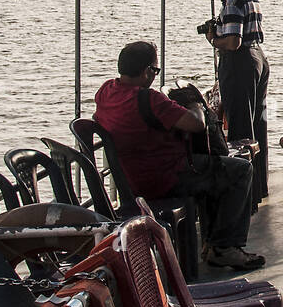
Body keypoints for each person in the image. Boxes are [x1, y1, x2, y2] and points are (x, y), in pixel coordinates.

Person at [93, 41, 265, 270]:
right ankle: (224, 247)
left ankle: (212, 242)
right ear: (146, 72)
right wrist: (195, 105)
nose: (154, 76)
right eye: (155, 71)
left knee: (216, 170)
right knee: (240, 170)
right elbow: (195, 124)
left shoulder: (106, 91)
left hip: (130, 178)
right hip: (164, 178)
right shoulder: (149, 100)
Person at [205, 0, 270, 211]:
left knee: (241, 128)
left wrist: (213, 38)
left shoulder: (232, 2)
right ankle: (259, 187)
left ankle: (246, 199)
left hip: (240, 62)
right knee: (258, 123)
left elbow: (233, 42)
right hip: (258, 59)